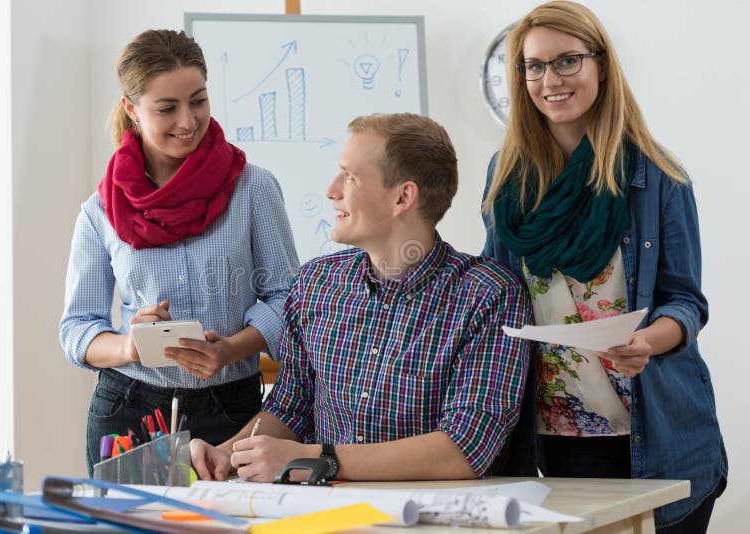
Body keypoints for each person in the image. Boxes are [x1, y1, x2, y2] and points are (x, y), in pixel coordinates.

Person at [481, 2, 727, 531]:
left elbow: (686, 302)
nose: (550, 80)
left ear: (602, 67)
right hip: (550, 434)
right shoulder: (506, 180)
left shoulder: (659, 176)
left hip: (657, 433)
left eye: (568, 61)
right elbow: (493, 292)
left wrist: (646, 343)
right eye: (534, 66)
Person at [190, 112, 532, 482]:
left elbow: (465, 449)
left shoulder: (489, 296)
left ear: (403, 196)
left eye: (350, 177)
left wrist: (318, 459)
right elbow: (290, 408)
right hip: (326, 515)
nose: (332, 190)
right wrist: (228, 452)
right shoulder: (316, 282)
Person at [59, 29, 299, 476]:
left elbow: (289, 300)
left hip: (234, 411)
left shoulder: (254, 188)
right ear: (132, 109)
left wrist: (231, 349)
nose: (188, 121)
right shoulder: (100, 211)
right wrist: (130, 345)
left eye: (199, 100)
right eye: (167, 108)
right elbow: (75, 329)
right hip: (128, 412)